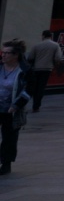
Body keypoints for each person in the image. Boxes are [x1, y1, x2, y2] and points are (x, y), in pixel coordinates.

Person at [0, 39, 31, 175]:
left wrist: (17, 105)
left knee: (9, 137)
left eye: (7, 53)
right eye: (3, 52)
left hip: (11, 109)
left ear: (16, 55)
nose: (3, 55)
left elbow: (28, 90)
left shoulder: (24, 70)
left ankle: (6, 163)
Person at [25, 31, 63, 113]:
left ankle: (25, 103)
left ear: (43, 36)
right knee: (41, 87)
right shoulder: (55, 45)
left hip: (36, 68)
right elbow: (58, 57)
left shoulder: (37, 45)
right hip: (47, 68)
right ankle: (36, 106)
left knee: (33, 86)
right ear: (50, 36)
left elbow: (30, 57)